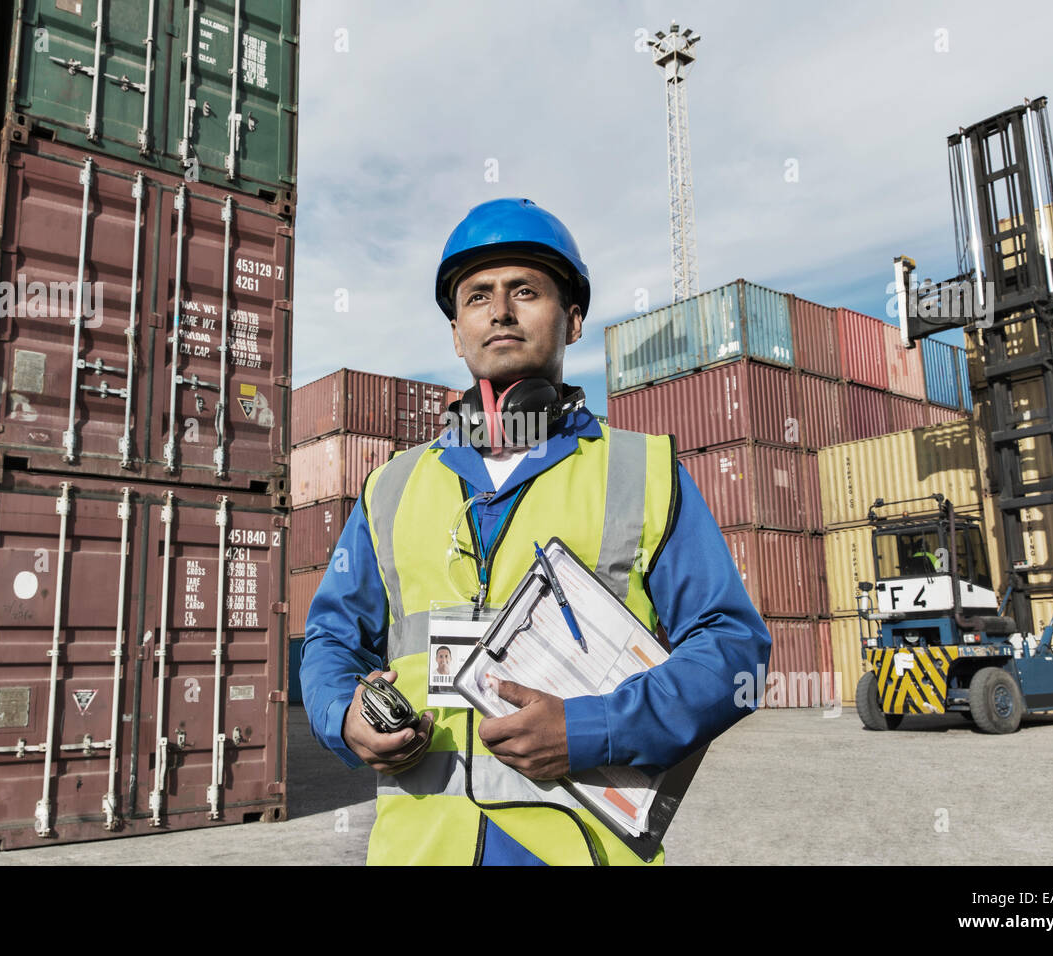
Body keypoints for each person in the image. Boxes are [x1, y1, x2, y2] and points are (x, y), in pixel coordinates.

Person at [300, 197, 771, 865]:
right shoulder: (393, 488)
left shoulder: (641, 472)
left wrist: (593, 730)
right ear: (456, 331)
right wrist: (341, 715)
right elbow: (330, 639)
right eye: (477, 296)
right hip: (419, 851)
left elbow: (733, 648)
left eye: (526, 290)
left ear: (573, 319)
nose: (500, 310)